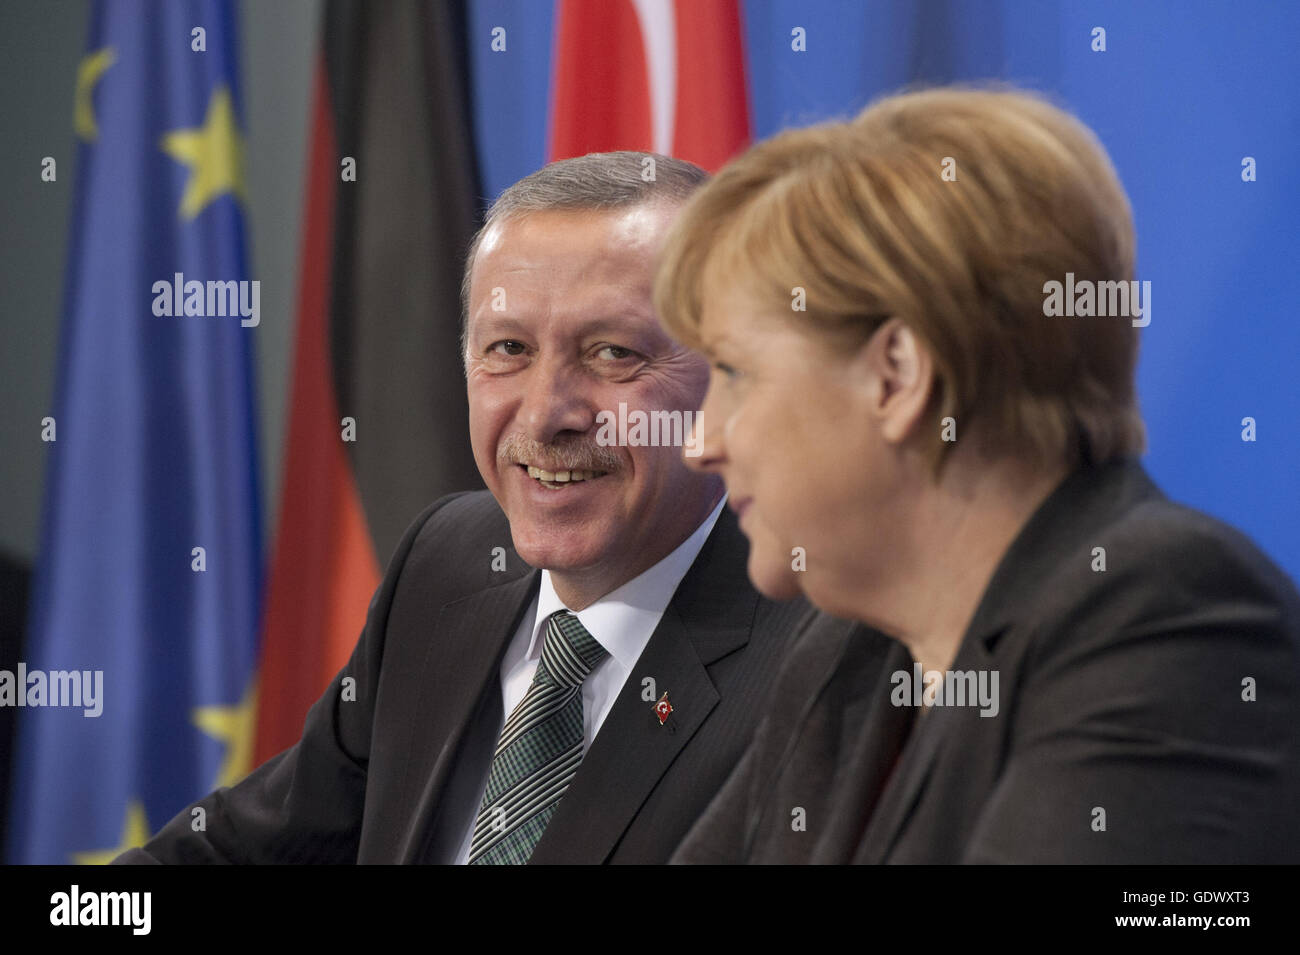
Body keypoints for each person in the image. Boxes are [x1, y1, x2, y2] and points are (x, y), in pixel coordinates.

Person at [114, 152, 824, 865]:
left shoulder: (818, 665)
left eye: (613, 353)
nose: (546, 414)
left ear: (732, 376)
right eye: (508, 348)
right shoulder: (444, 563)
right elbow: (248, 851)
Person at [652, 87, 1300, 863]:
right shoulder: (848, 653)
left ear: (896, 375)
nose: (701, 442)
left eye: (734, 370)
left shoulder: (1164, 610)